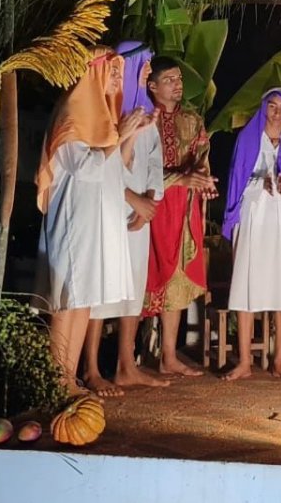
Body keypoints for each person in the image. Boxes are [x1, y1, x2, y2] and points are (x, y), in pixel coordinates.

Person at [36, 46, 152, 395]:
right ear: (92, 74)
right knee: (67, 299)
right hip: (75, 221)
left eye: (120, 72)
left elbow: (118, 166)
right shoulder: (72, 116)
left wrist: (129, 133)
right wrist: (118, 136)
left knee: (83, 298)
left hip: (97, 220)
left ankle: (69, 379)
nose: (119, 78)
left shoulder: (106, 120)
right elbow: (85, 168)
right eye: (112, 71)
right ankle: (56, 380)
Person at [80, 41, 169, 396]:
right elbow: (104, 167)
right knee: (101, 291)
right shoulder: (106, 111)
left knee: (132, 289)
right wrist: (132, 198)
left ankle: (126, 365)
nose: (148, 72)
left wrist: (150, 203)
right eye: (144, 66)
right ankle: (89, 368)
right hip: (111, 209)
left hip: (139, 214)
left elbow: (154, 164)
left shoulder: (146, 113)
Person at [221, 87, 281, 381]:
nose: (277, 113)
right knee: (247, 286)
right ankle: (244, 361)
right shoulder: (248, 138)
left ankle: (279, 360)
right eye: (272, 106)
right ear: (263, 107)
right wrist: (260, 185)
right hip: (254, 216)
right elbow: (236, 181)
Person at [143, 56, 218, 377]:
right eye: (170, 79)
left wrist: (202, 177)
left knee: (175, 278)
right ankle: (130, 357)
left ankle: (169, 356)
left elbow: (201, 157)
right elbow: (136, 172)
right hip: (148, 207)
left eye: (179, 79)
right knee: (142, 278)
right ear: (152, 85)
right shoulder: (143, 120)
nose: (178, 84)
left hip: (183, 211)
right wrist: (180, 178)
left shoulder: (192, 119)